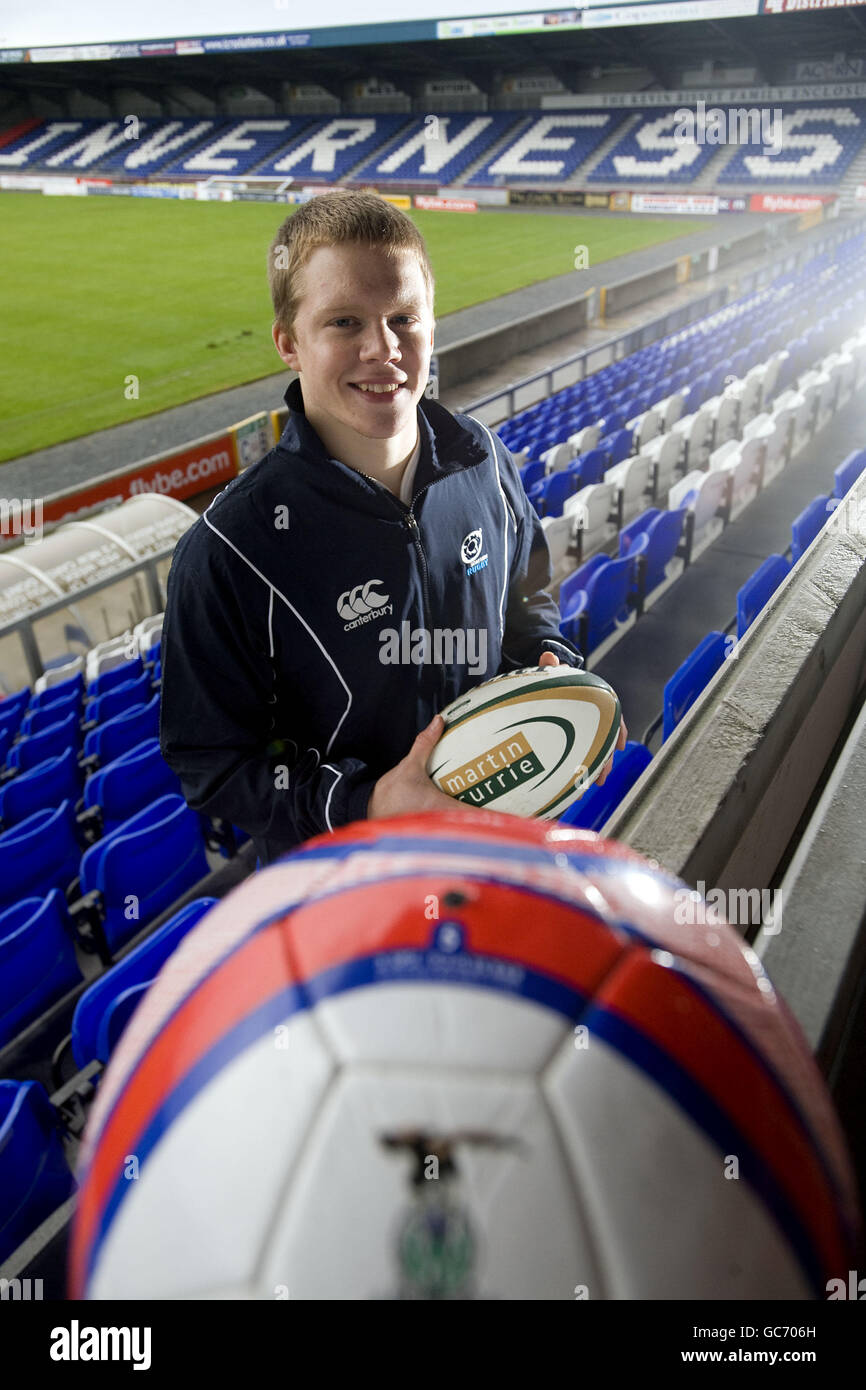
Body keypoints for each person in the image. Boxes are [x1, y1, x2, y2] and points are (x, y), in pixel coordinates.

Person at [159, 191, 626, 868]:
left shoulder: (484, 461)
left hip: (496, 839)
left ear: (432, 327)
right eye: (345, 322)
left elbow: (527, 606)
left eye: (403, 318)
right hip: (346, 886)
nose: (383, 350)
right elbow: (213, 765)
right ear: (290, 344)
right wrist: (368, 803)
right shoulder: (232, 549)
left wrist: (550, 669)